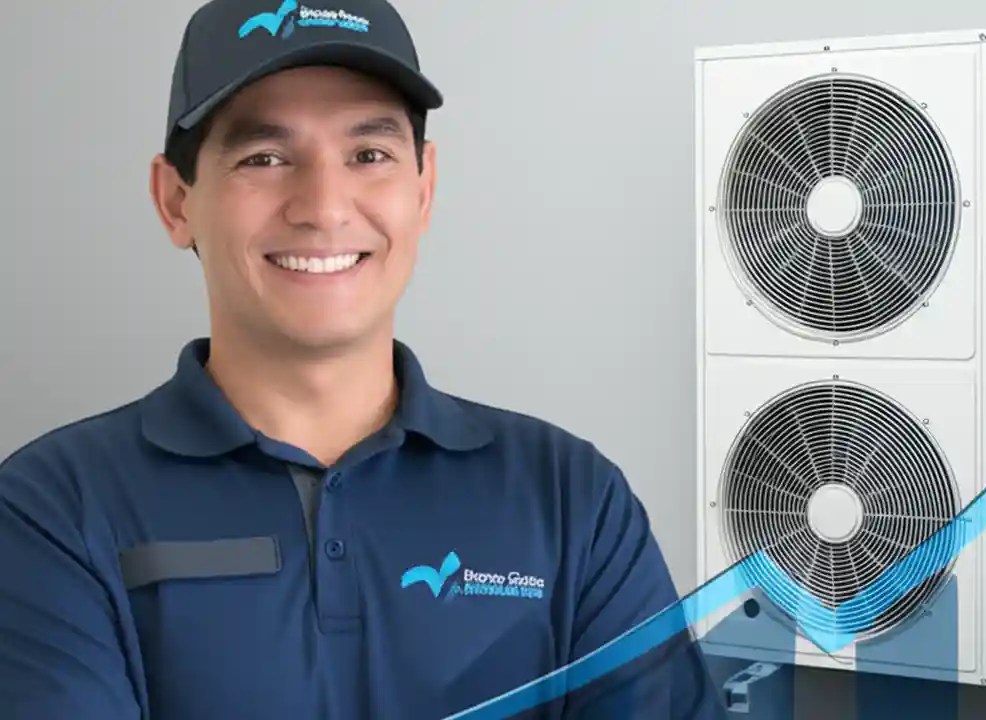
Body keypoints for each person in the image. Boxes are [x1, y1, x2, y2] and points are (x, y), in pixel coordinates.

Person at [0, 0, 726, 717]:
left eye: (369, 155)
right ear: (175, 201)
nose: (323, 205)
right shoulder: (51, 510)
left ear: (424, 187)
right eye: (265, 156)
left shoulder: (571, 499)